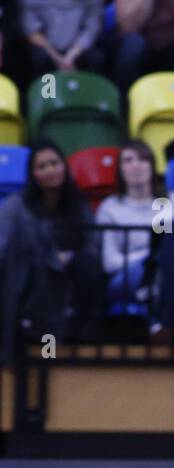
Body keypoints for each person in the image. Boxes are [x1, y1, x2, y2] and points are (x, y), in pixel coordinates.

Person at [0, 140, 101, 354]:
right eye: (42, 166)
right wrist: (53, 259)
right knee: (47, 275)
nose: (50, 170)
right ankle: (47, 350)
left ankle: (80, 341)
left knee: (88, 266)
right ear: (32, 174)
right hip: (30, 283)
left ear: (64, 166)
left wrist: (70, 257)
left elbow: (93, 246)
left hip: (73, 282)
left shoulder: (78, 206)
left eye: (54, 163)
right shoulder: (15, 207)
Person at [97, 139, 164, 327]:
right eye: (128, 160)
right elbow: (110, 263)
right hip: (125, 279)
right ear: (120, 170)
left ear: (152, 166)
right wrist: (149, 257)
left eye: (143, 159)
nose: (136, 165)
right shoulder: (109, 208)